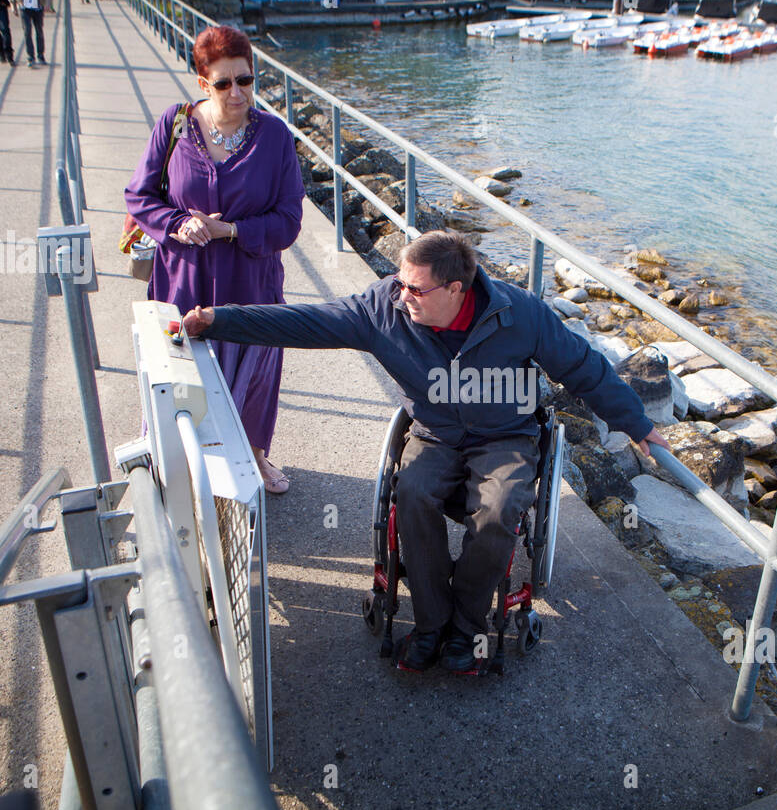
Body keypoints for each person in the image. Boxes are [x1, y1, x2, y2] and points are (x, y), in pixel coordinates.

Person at [180, 231, 670, 674]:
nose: (403, 295)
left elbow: (584, 367)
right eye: (400, 282)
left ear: (456, 290)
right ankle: (432, 623)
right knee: (411, 494)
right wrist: (219, 320)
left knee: (499, 511)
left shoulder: (520, 314)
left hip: (505, 436)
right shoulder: (384, 308)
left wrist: (638, 425)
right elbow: (304, 322)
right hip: (434, 433)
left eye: (416, 289)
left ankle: (465, 627)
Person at [124, 25, 304, 495]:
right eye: (223, 83)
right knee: (184, 372)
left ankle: (255, 457)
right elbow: (139, 197)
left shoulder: (275, 136)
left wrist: (232, 229)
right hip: (183, 281)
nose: (237, 92)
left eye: (245, 80)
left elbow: (288, 221)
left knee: (256, 374)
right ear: (202, 83)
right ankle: (178, 464)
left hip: (251, 283)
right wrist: (178, 223)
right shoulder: (174, 125)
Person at [8, 0, 49, 67]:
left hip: (37, 4)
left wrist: (47, 3)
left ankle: (41, 55)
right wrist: (13, 5)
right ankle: (31, 57)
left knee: (39, 31)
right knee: (27, 32)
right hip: (23, 5)